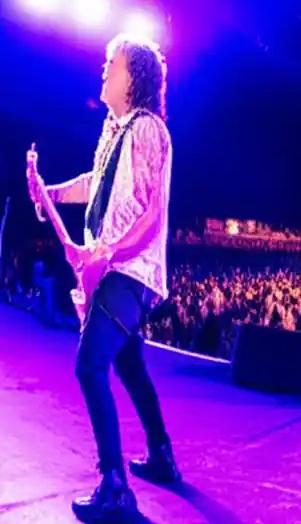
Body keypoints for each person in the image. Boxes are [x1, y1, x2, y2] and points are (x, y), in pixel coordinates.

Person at [28, 34, 181, 522]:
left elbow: (153, 213)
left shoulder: (148, 128)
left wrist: (108, 252)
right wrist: (50, 192)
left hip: (129, 271)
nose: (103, 69)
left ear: (133, 77)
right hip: (114, 267)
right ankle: (162, 455)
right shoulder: (115, 131)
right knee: (129, 364)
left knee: (89, 364)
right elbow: (97, 186)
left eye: (112, 64)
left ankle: (114, 485)